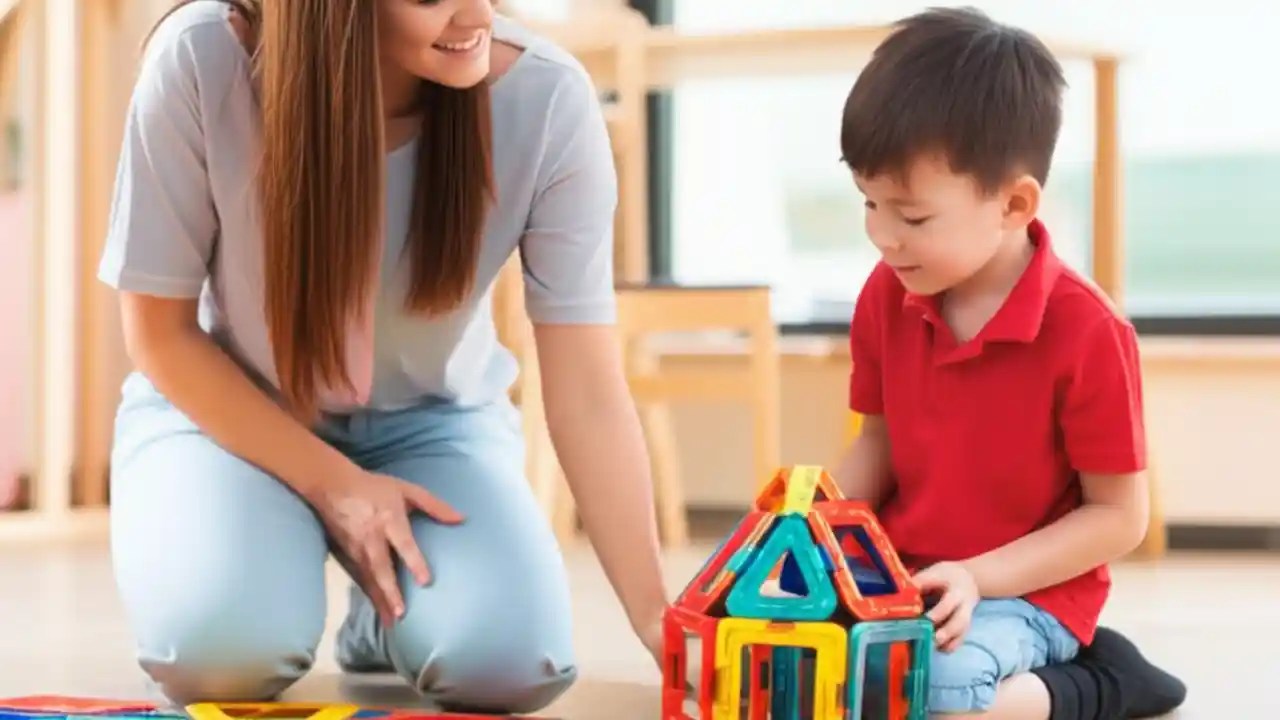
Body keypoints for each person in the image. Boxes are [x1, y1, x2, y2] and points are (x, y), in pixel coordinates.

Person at [98, 0, 668, 712]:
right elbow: (160, 334)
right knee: (220, 654)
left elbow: (586, 388)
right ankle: (279, 538)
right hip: (232, 419)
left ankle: (382, 615)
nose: (476, 13)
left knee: (510, 666)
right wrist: (336, 487)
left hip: (431, 426)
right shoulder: (200, 59)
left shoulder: (548, 98)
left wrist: (660, 625)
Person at [833, 8, 1186, 719]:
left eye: (912, 216)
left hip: (1028, 590)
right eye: (868, 203)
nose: (883, 237)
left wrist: (976, 576)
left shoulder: (1088, 330)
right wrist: (809, 529)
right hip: (908, 578)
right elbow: (880, 442)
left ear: (1015, 204)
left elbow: (1119, 517)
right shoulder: (887, 293)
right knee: (772, 654)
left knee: (937, 694)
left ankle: (1100, 677)